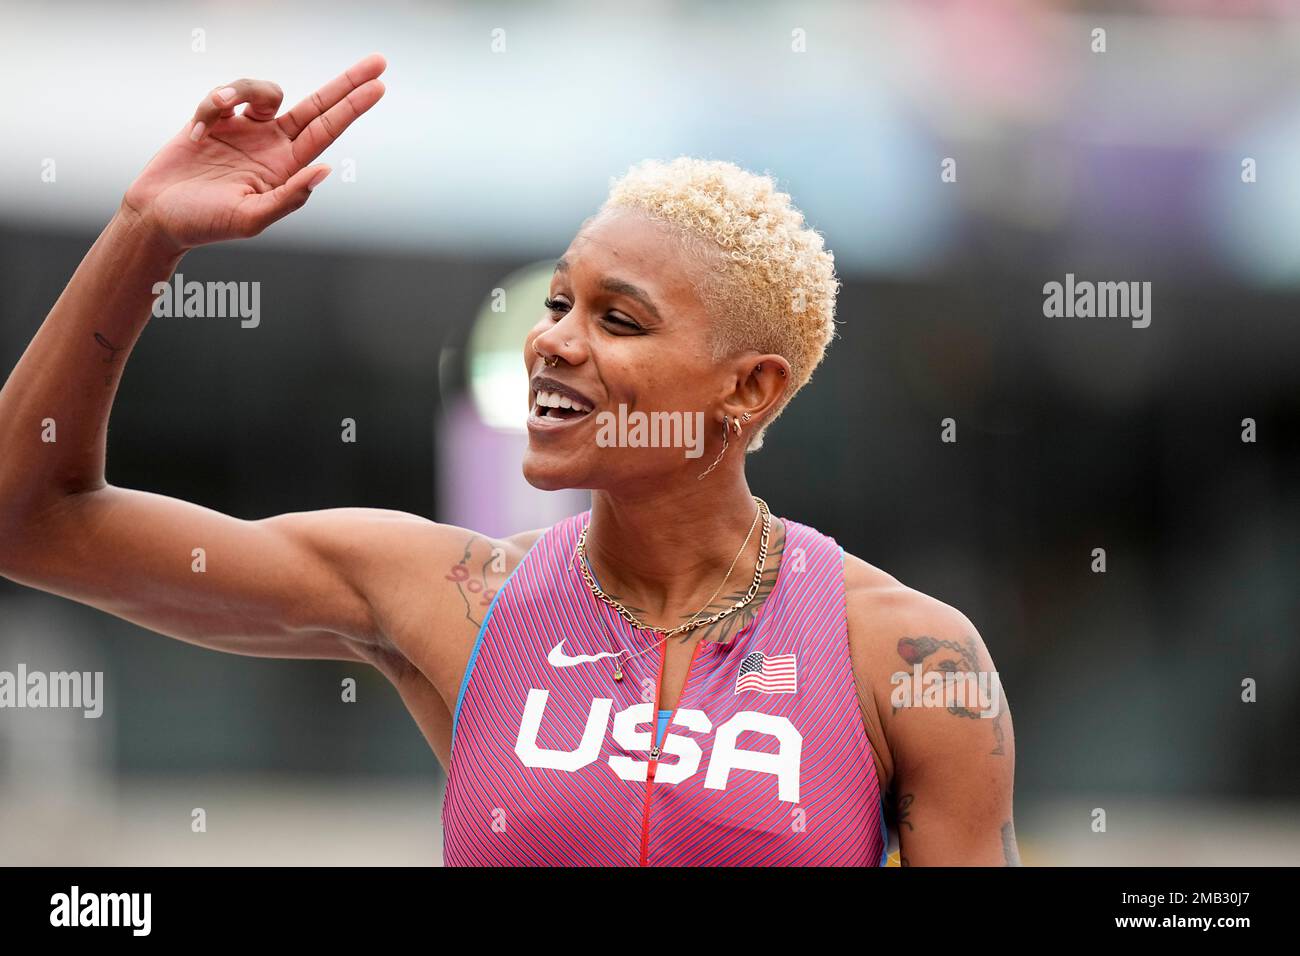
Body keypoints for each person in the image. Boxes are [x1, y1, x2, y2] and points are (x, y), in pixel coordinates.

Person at [0, 54, 1018, 866]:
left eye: (617, 317)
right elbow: (30, 522)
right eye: (556, 302)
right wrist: (144, 237)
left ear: (747, 389)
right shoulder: (453, 598)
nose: (554, 342)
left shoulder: (909, 657)